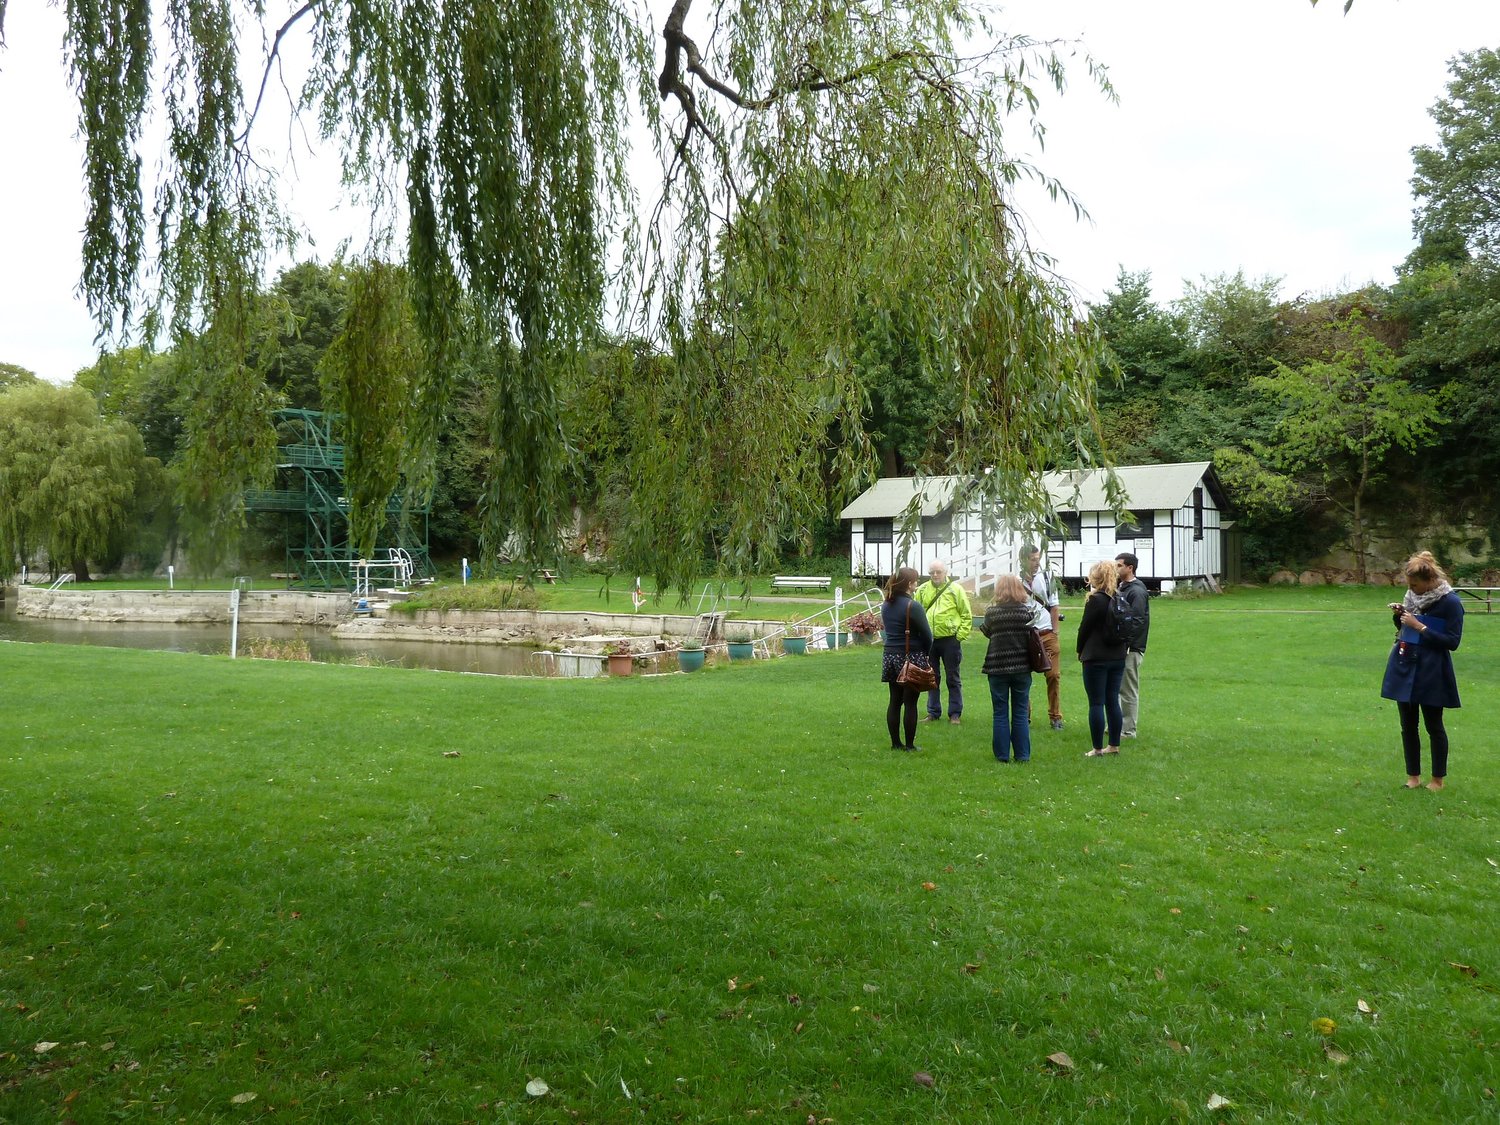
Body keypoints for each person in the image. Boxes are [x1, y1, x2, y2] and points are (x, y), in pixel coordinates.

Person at [1381, 551, 1464, 791]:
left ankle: (1438, 780)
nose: (1411, 589)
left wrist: (1421, 627)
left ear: (1428, 581)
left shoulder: (1451, 602)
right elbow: (1405, 629)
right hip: (1406, 664)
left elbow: (1452, 641)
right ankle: (1413, 777)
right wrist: (1401, 617)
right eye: (1409, 585)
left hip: (1432, 670)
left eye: (1414, 585)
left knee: (1434, 726)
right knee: (1408, 725)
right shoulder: (1412, 597)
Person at [979, 574, 1036, 763]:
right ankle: (1022, 755)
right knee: (1020, 712)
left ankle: (1002, 755)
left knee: (1000, 712)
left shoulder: (992, 613)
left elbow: (986, 631)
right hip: (1022, 667)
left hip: (997, 667)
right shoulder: (1026, 612)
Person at [1076, 559, 1127, 757]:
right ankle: (1114, 744)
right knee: (1112, 700)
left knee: (1096, 703)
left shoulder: (1095, 600)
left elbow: (1085, 628)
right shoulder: (1119, 597)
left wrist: (1080, 649)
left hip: (1096, 656)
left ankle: (1097, 748)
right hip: (1117, 655)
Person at [881, 566, 935, 752]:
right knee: (910, 702)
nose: (916, 584)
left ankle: (896, 743)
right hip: (910, 656)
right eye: (915, 581)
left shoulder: (886, 604)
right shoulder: (913, 606)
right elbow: (928, 635)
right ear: (909, 584)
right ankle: (910, 745)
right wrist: (925, 654)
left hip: (890, 656)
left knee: (895, 700)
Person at [915, 560, 973, 725]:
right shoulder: (922, 590)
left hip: (950, 640)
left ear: (945, 572)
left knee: (953, 678)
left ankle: (955, 713)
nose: (935, 575)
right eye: (932, 572)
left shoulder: (956, 590)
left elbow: (966, 615)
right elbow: (916, 613)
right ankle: (933, 712)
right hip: (930, 641)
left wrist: (959, 637)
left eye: (938, 572)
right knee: (932, 677)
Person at [1020, 545, 1064, 730]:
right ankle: (1024, 717)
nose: (1036, 563)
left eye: (1038, 559)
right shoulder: (1015, 579)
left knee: (1053, 675)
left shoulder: (1047, 577)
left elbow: (1054, 606)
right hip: (1025, 634)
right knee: (1023, 677)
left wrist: (1054, 632)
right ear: (1023, 560)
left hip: (1046, 633)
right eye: (1032, 559)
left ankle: (1055, 717)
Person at [1114, 552, 1150, 738]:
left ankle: (1128, 730)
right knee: (1119, 687)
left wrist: (1126, 643)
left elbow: (1137, 621)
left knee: (1128, 688)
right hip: (1122, 646)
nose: (1116, 568)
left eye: (1119, 565)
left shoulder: (1136, 591)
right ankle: (1116, 725)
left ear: (1130, 567)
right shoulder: (1122, 587)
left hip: (1131, 647)